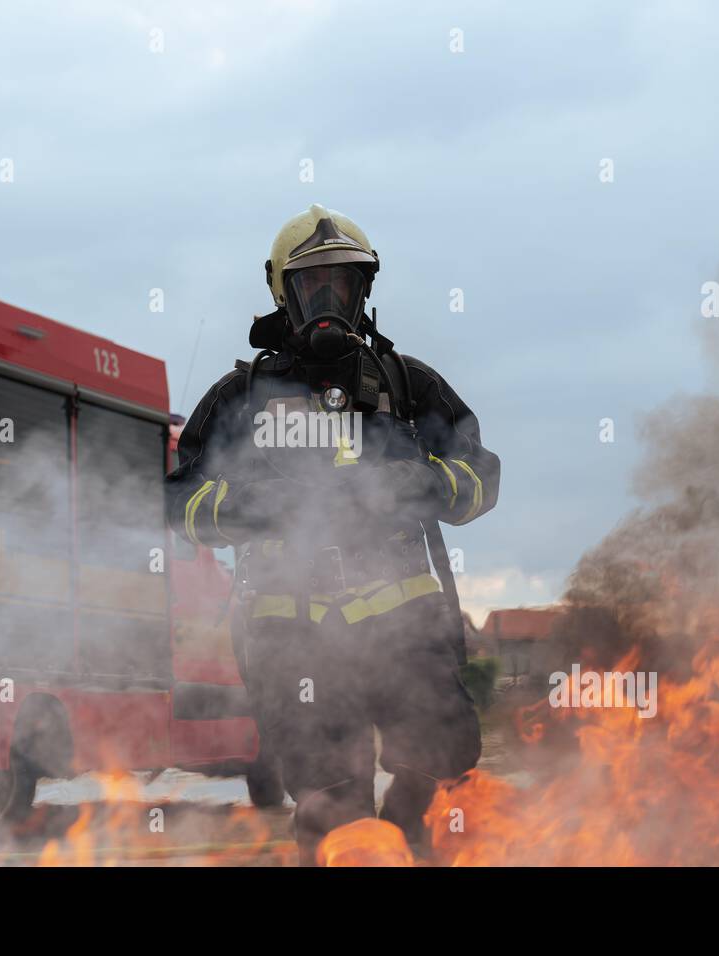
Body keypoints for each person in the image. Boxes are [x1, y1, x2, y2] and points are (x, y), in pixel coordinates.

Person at [166, 206, 500, 864]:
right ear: (282, 292)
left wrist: (426, 482)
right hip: (292, 639)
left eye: (340, 284)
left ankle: (414, 835)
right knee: (335, 806)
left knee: (441, 772)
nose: (327, 300)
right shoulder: (241, 399)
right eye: (312, 285)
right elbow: (178, 500)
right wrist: (250, 502)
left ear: (361, 292)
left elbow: (481, 476)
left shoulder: (407, 387)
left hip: (405, 629)